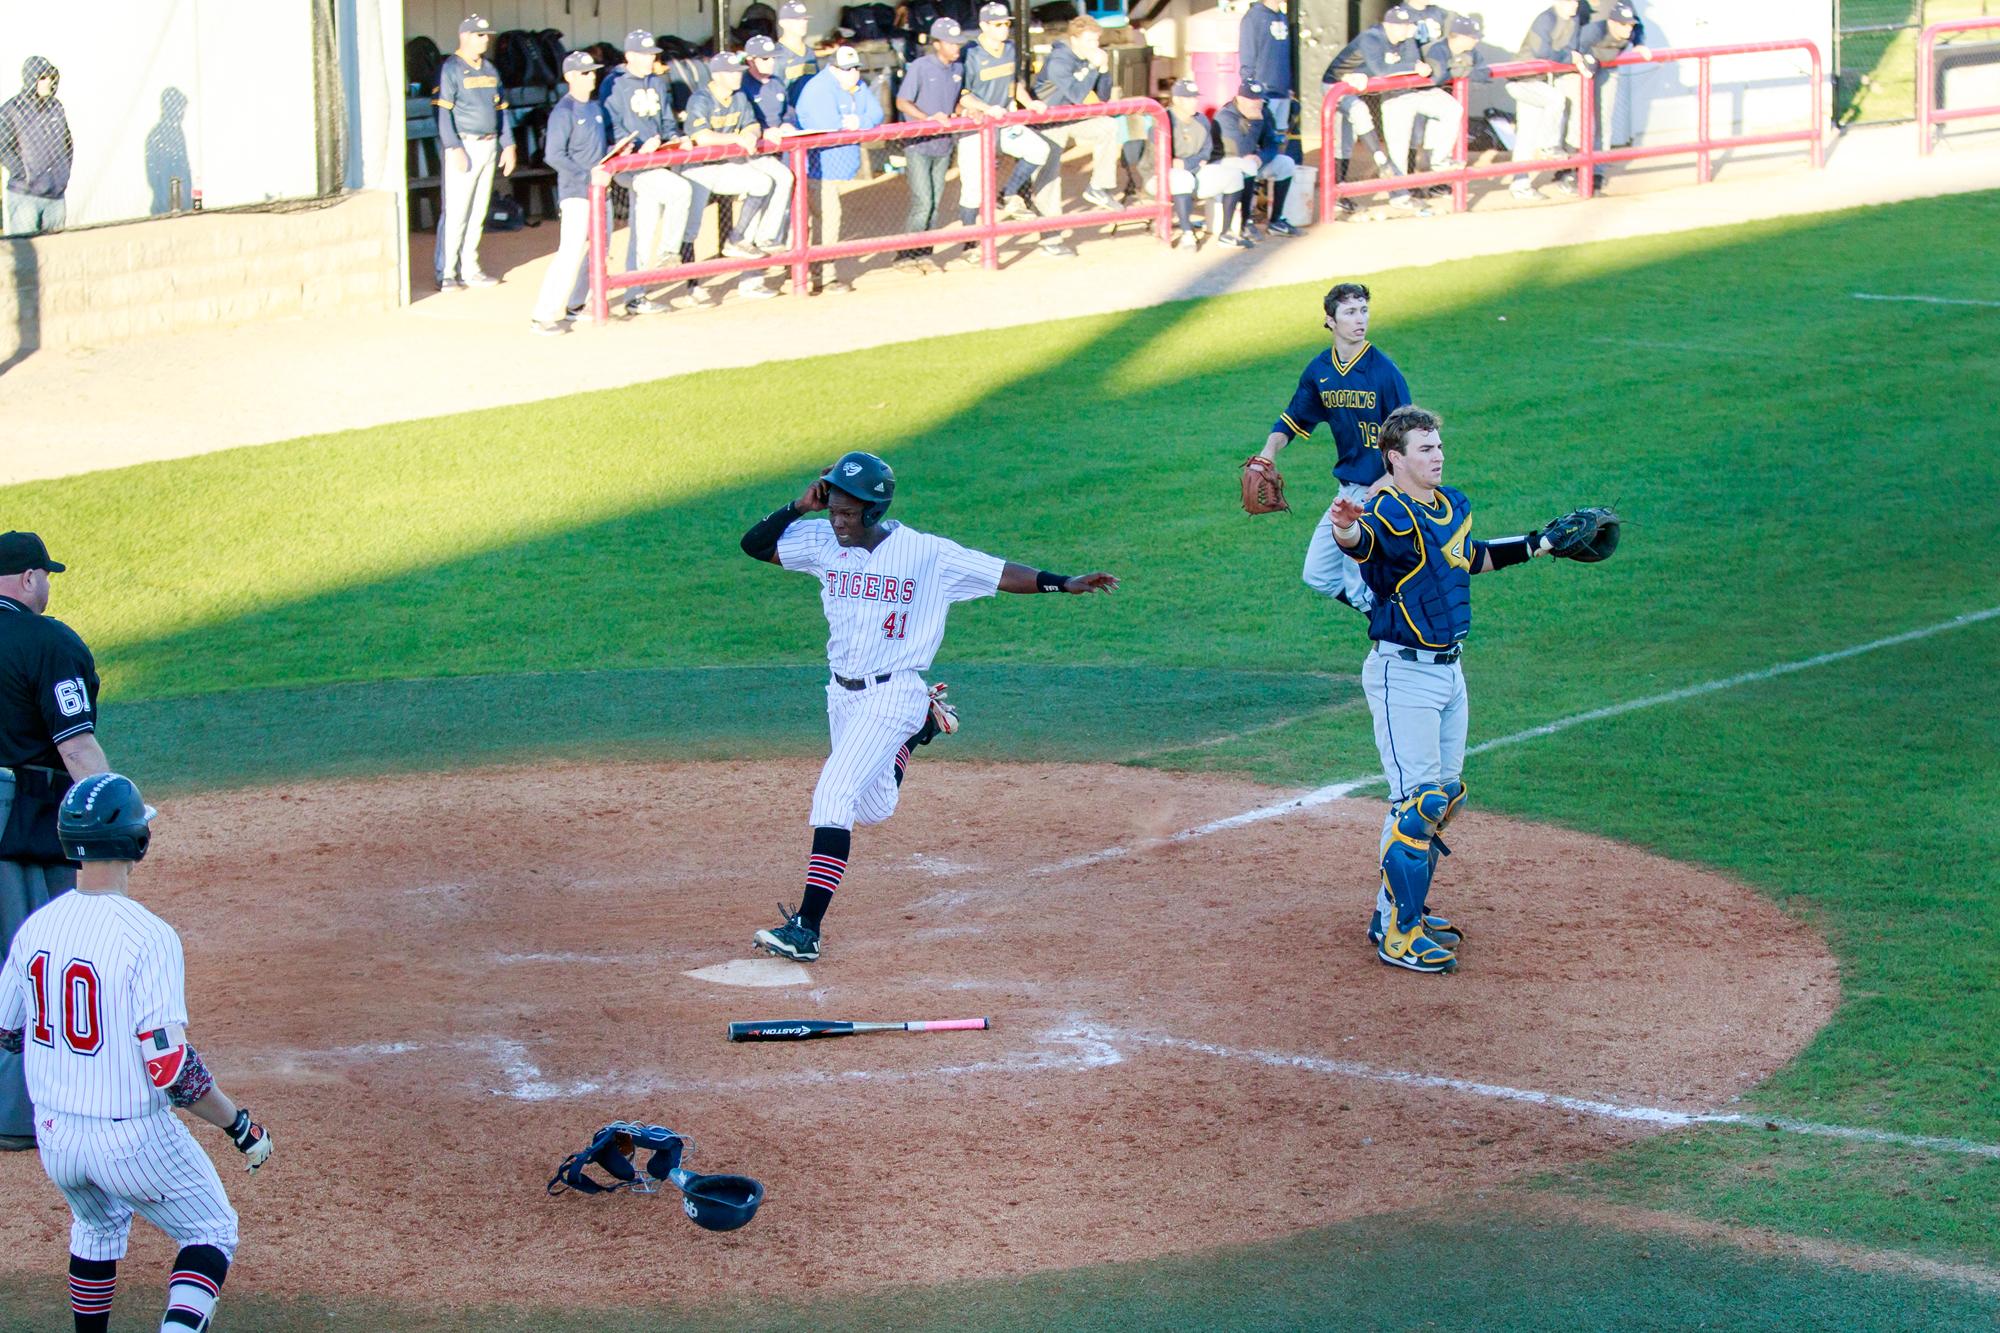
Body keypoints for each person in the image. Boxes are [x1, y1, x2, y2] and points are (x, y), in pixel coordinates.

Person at [739, 453, 1118, 963]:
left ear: (874, 511)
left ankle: (806, 929)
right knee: (872, 809)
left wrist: (1063, 582)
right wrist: (798, 505)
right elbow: (754, 546)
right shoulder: (823, 540)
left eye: (847, 513)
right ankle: (920, 731)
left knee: (833, 793)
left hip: (893, 691)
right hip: (842, 694)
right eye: (833, 509)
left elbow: (1001, 573)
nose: (837, 520)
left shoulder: (926, 555)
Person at [0, 773, 274, 1331]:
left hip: (57, 1138)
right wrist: (239, 1125)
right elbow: (171, 1069)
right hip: (131, 1140)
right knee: (211, 1231)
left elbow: (7, 1032)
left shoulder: (36, 928)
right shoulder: (149, 937)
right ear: (136, 844)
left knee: (98, 1228)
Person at [1325, 407, 1570, 972]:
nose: (1437, 456)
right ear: (1395, 458)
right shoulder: (1388, 511)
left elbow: (1467, 557)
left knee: (1443, 797)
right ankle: (1399, 935)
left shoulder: (1449, 505)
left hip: (1449, 672)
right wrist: (1343, 524)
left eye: (1438, 447)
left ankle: (1395, 911)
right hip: (1403, 675)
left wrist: (1538, 544)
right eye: (1425, 450)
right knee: (1418, 805)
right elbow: (1360, 545)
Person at [0, 533, 109, 1154]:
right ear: (29, 577)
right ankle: (19, 1118)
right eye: (46, 575)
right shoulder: (48, 642)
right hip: (17, 816)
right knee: (31, 958)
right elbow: (75, 745)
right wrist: (116, 809)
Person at [1252, 284, 1412, 611]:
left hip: (1381, 493)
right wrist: (1268, 452)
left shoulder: (1384, 372)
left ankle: (1396, 636)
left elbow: (1412, 435)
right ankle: (1393, 621)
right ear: (1330, 320)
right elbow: (1293, 419)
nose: (1360, 319)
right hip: (1349, 491)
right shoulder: (1321, 371)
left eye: (1363, 310)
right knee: (1318, 574)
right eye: (1350, 312)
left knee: (1360, 589)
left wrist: (1392, 480)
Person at [599, 30, 700, 317]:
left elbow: (667, 119)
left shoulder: (657, 80)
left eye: (651, 54)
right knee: (680, 190)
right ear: (629, 55)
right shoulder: (614, 83)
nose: (649, 59)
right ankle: (669, 251)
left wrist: (673, 137)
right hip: (629, 165)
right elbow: (611, 125)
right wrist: (637, 146)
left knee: (642, 231)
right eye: (643, 54)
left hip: (655, 161)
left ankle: (635, 294)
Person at [682, 52, 793, 300]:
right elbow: (702, 137)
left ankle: (737, 236)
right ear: (718, 75)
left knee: (762, 182)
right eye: (732, 72)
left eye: (738, 70)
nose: (737, 75)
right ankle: (693, 287)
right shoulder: (700, 98)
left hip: (724, 167)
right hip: (697, 170)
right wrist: (736, 138)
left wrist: (752, 135)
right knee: (692, 230)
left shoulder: (739, 96)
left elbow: (752, 124)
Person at [1320, 4, 1435, 214]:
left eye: (1409, 25)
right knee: (1358, 114)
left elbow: (1411, 65)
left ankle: (1340, 196)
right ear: (1388, 25)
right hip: (1336, 85)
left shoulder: (1406, 39)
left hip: (1356, 85)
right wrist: (1415, 67)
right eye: (1403, 26)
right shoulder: (1371, 37)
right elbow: (1382, 70)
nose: (1408, 30)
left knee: (1345, 144)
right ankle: (1381, 161)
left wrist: (1415, 66)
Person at [1023, 15, 1122, 258]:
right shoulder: (1059, 59)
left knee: (1108, 127)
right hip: (1045, 123)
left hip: (1070, 118)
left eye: (1097, 40)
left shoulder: (1087, 57)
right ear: (1074, 39)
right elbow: (1078, 94)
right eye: (1089, 41)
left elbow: (1103, 96)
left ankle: (1098, 186)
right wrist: (1092, 66)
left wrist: (1105, 68)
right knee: (1049, 182)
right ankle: (1050, 240)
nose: (1095, 46)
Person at [530, 53, 614, 335]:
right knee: (570, 251)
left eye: (592, 72)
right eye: (584, 73)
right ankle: (542, 314)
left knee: (601, 248)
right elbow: (553, 155)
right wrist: (587, 175)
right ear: (570, 77)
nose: (591, 76)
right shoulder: (564, 112)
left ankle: (577, 303)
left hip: (601, 191)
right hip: (576, 192)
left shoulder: (595, 108)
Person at [431, 15, 517, 290]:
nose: (486, 39)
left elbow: (501, 110)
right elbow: (443, 112)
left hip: (489, 144)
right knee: (456, 211)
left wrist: (509, 144)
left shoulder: (490, 69)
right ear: (465, 36)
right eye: (480, 35)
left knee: (479, 210)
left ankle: (470, 268)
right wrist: (452, 146)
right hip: (464, 145)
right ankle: (446, 272)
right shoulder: (451, 69)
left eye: (486, 35)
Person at [792, 45, 886, 293]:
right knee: (825, 221)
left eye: (856, 68)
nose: (853, 73)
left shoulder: (856, 86)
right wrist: (853, 125)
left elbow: (877, 113)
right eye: (847, 69)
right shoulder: (819, 89)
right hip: (816, 168)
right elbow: (829, 126)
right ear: (832, 68)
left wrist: (859, 122)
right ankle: (822, 276)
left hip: (835, 168)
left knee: (823, 221)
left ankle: (811, 272)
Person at [958, 4, 1050, 228]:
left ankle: (1008, 194)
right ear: (983, 25)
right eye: (998, 24)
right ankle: (971, 243)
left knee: (1039, 150)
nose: (1004, 28)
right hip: (976, 125)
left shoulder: (1010, 48)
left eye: (1007, 24)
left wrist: (1029, 102)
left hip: (1003, 121)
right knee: (973, 190)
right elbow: (962, 95)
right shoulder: (970, 53)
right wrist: (986, 108)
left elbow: (1014, 83)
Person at [893, 17, 968, 274]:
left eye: (958, 42)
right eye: (950, 42)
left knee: (934, 203)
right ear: (937, 44)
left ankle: (924, 253)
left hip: (943, 144)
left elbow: (956, 101)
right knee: (923, 201)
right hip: (918, 143)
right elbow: (902, 101)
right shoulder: (921, 67)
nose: (956, 47)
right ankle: (904, 256)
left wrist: (961, 110)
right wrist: (928, 119)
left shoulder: (958, 69)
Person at [1553, 0, 1650, 194]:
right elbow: (1566, 30)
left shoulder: (1619, 3)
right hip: (1578, 67)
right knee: (1575, 118)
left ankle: (1596, 171)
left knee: (1602, 119)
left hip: (1606, 66)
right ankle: (1569, 167)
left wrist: (1639, 44)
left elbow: (1636, 24)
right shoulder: (1577, 4)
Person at [1132, 79, 1241, 250]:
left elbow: (1207, 152)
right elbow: (1161, 160)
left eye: (1195, 98)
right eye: (1188, 98)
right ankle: (1187, 234)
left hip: (1193, 171)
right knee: (1182, 178)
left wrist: (1188, 163)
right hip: (1156, 177)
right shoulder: (1162, 120)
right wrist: (1189, 164)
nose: (1194, 102)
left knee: (1233, 176)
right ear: (1176, 100)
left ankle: (1226, 233)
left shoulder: (1202, 120)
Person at [1504, 0, 1586, 199]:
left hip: (1540, 82)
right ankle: (1549, 144)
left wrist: (1572, 58)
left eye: (1575, 2)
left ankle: (1519, 186)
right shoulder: (1546, 19)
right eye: (1569, 2)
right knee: (1556, 99)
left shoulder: (1573, 20)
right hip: (1522, 80)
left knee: (1526, 136)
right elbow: (1543, 52)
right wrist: (1570, 58)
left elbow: (1571, 50)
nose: (1574, 5)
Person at [1211, 77, 1301, 244]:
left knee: (1285, 163)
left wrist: (1261, 157)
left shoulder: (1263, 111)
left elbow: (1272, 144)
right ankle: (1246, 222)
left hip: (1252, 161)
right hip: (1224, 165)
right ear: (1239, 99)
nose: (1256, 104)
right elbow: (1240, 150)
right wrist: (1253, 120)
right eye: (1251, 100)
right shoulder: (1226, 116)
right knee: (1248, 164)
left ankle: (1275, 220)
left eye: (1258, 100)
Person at [0, 57, 72, 236]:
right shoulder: (12, 109)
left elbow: (68, 142)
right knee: (27, 253)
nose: (49, 81)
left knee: (56, 251)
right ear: (32, 79)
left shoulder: (56, 108)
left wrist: (63, 173)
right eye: (43, 77)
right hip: (26, 197)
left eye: (51, 77)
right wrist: (24, 174)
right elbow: (3, 146)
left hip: (55, 197)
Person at [1236, 0, 1294, 142]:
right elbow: (1247, 53)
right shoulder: (1253, 17)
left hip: (1283, 89)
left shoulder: (1282, 16)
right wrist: (1249, 87)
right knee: (1262, 137)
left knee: (1280, 138)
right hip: (1264, 91)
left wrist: (1290, 86)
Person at [773, 0, 822, 91]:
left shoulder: (809, 53)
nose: (803, 23)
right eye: (796, 19)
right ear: (783, 23)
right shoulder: (776, 55)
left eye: (805, 19)